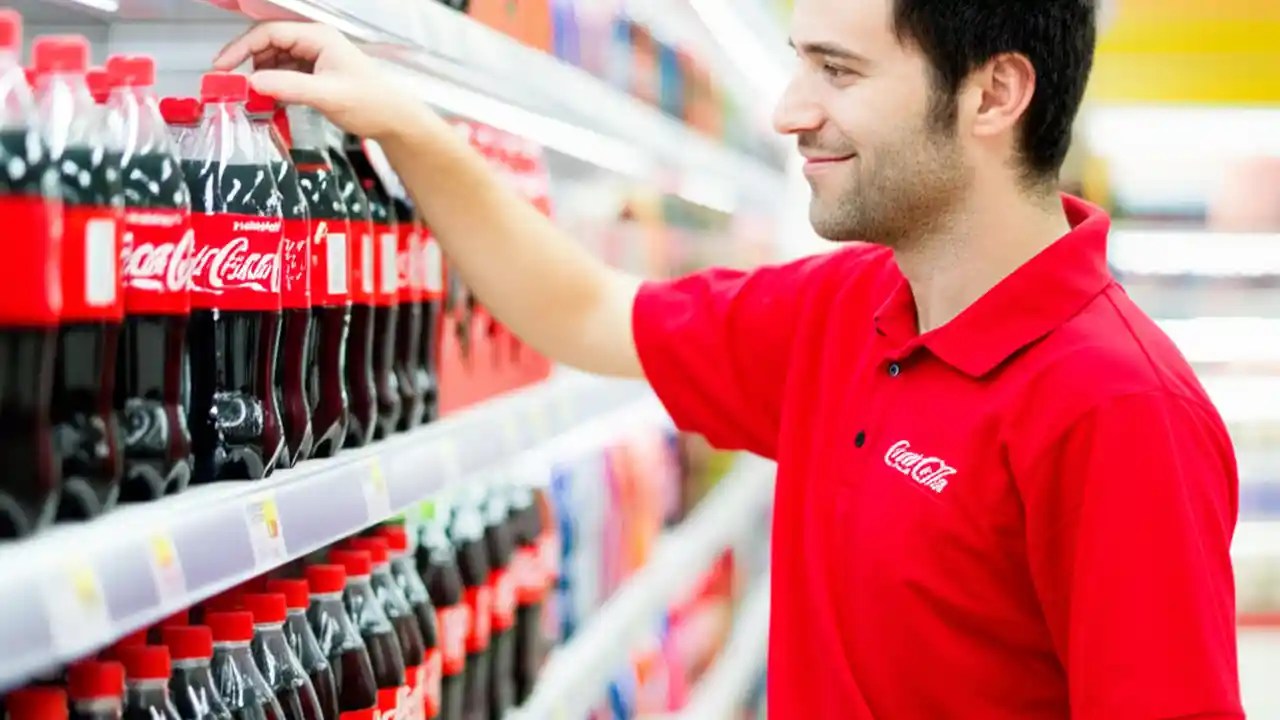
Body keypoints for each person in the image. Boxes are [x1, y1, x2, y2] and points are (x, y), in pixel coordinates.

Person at [214, 0, 1244, 716]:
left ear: (992, 95)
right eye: (798, 58)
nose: (788, 109)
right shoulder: (843, 312)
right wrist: (400, 119)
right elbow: (583, 312)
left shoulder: (1115, 408)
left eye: (836, 70)